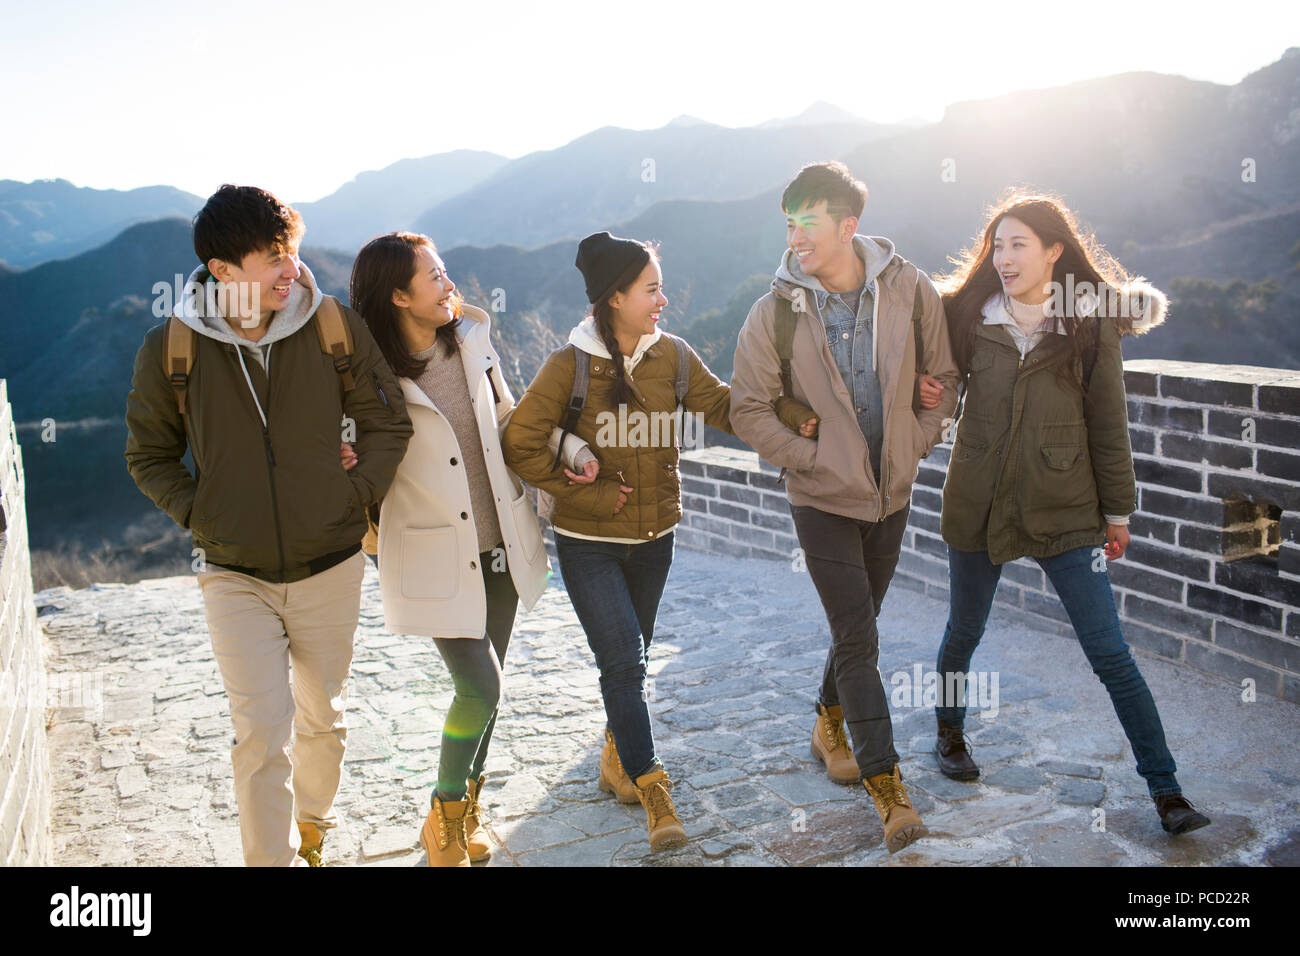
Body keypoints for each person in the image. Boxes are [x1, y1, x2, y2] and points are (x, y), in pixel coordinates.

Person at [124, 185, 413, 866]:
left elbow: (386, 421)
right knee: (260, 733)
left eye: (294, 252)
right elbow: (149, 454)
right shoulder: (171, 347)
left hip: (331, 563)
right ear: (223, 271)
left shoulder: (331, 326)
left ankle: (312, 825)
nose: (294, 270)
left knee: (323, 720)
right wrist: (204, 513)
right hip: (232, 573)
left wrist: (355, 495)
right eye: (274, 258)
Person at [503, 231, 814, 852]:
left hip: (655, 538)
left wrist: (793, 414)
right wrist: (588, 496)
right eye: (651, 289)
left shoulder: (671, 355)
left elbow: (725, 407)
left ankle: (618, 758)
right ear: (615, 297)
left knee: (632, 657)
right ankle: (653, 787)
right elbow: (519, 443)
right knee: (624, 661)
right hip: (588, 542)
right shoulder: (569, 366)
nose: (662, 300)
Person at [932, 189, 1211, 835]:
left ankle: (1167, 792)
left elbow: (1108, 424)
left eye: (1018, 244)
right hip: (979, 499)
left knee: (1110, 652)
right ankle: (948, 733)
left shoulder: (1089, 326)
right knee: (963, 631)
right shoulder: (968, 314)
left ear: (1054, 250)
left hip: (1069, 507)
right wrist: (933, 390)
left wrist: (1118, 512)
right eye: (996, 245)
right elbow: (935, 384)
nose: (1003, 257)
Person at [730, 161, 960, 854]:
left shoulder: (910, 289)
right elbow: (747, 406)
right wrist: (812, 461)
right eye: (788, 224)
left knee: (859, 620)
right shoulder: (774, 310)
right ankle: (888, 788)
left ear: (848, 226)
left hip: (892, 493)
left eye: (808, 224)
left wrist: (918, 439)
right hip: (822, 499)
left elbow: (944, 379)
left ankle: (828, 714)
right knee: (860, 637)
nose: (794, 237)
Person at [349, 232, 595, 866]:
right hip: (434, 554)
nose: (449, 283)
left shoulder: (473, 343)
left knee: (492, 687)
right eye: (434, 275)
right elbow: (348, 448)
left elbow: (513, 419)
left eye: (445, 270)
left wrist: (568, 450)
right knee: (480, 687)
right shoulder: (367, 374)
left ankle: (464, 812)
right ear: (399, 294)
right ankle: (446, 812)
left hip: (501, 544)